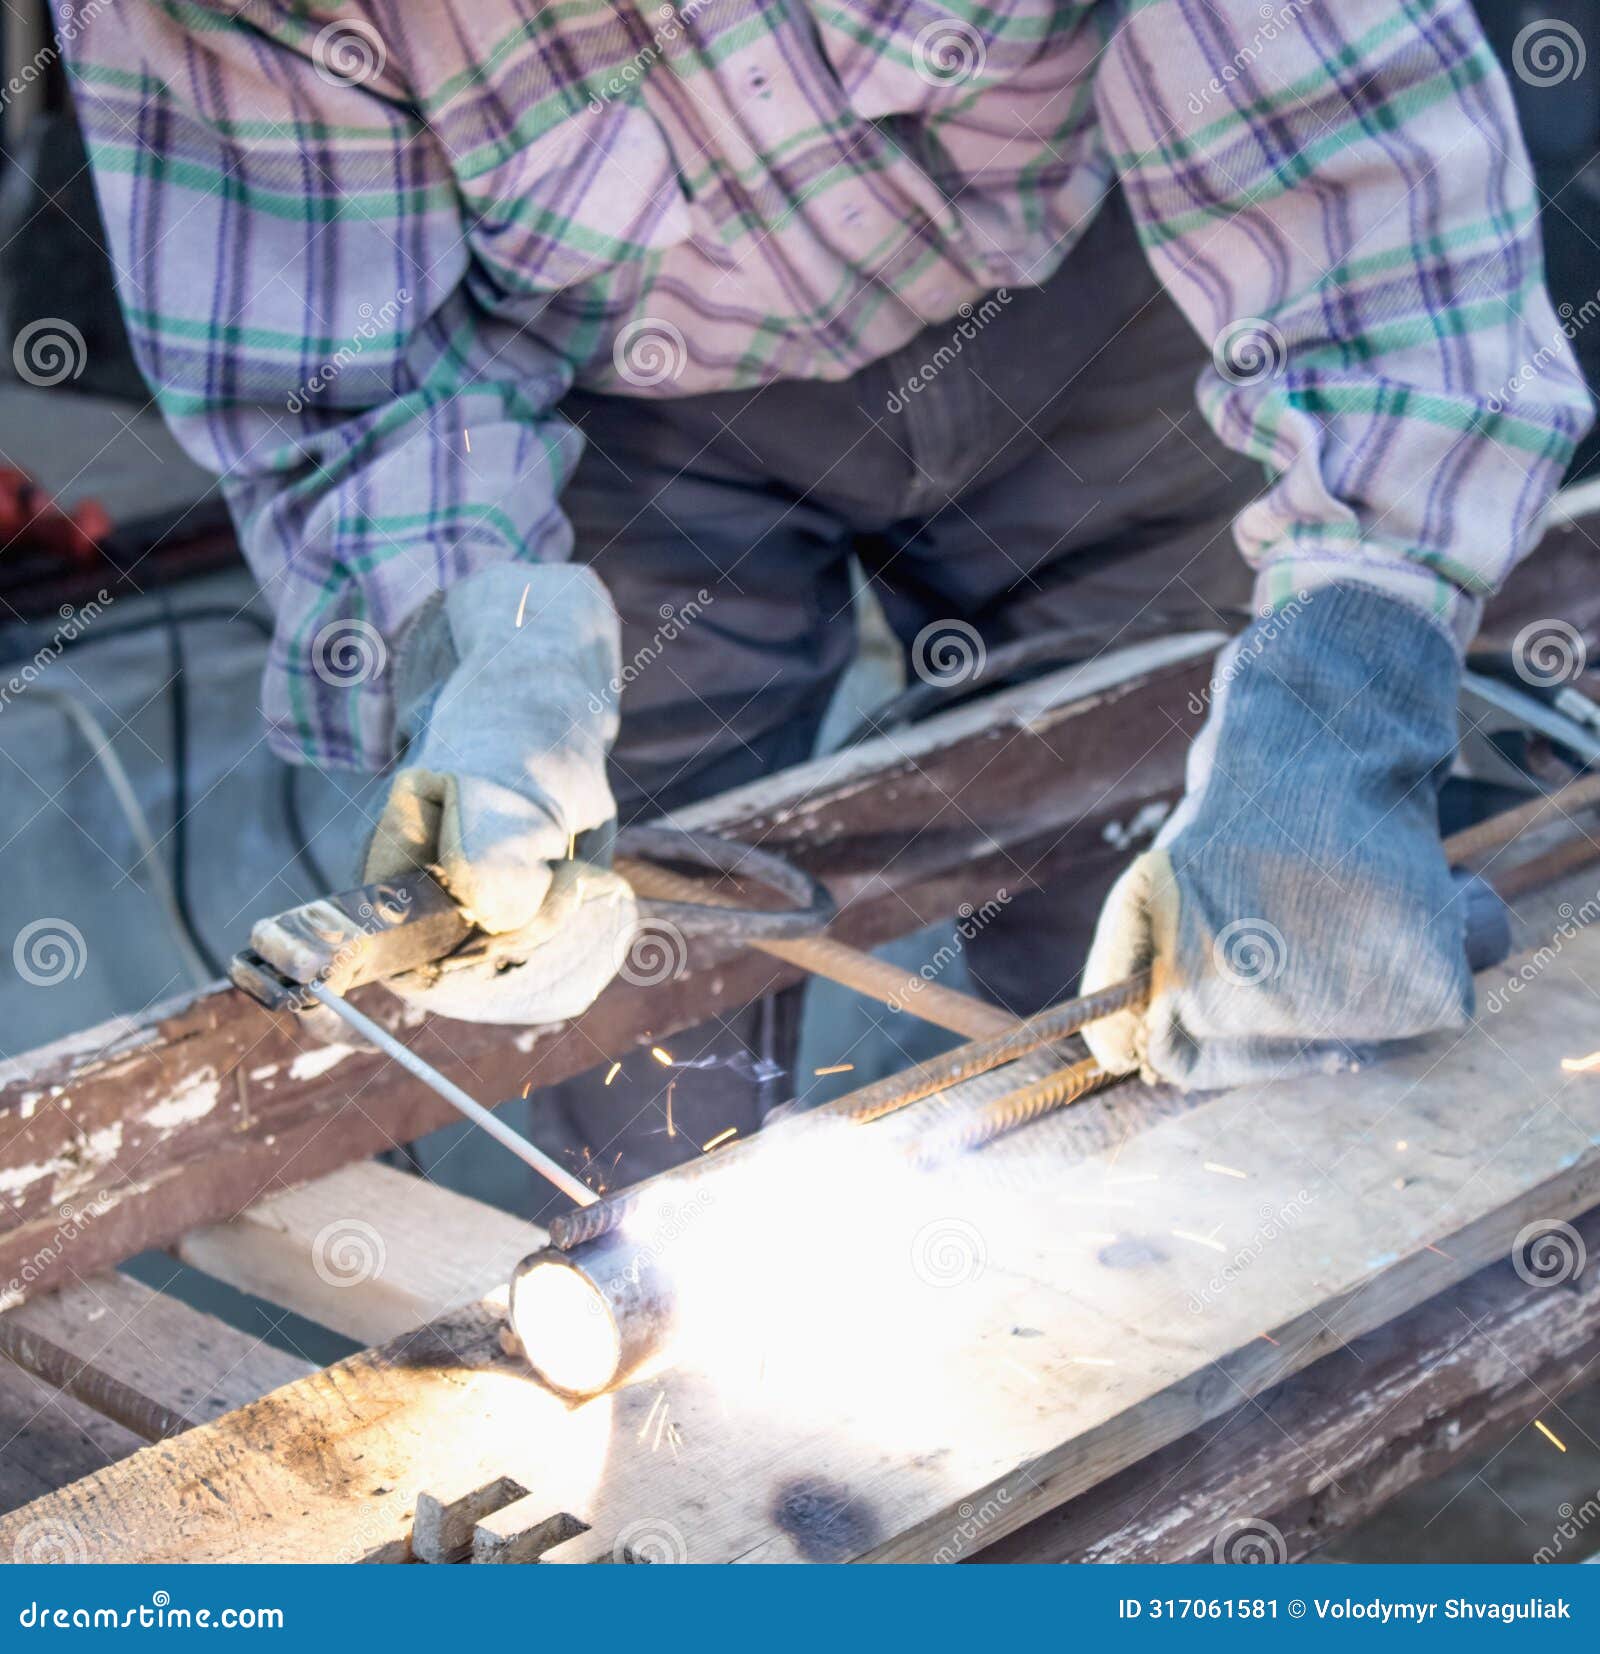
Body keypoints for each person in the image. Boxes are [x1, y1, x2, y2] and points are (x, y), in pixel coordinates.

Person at [59, 0, 1593, 1177]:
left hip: (1107, 293)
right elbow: (350, 384)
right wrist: (483, 647)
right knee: (619, 1015)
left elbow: (1362, 174)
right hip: (619, 432)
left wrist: (1349, 672)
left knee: (1220, 973)